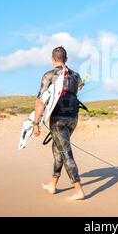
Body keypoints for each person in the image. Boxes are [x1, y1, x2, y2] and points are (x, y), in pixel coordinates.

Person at [33, 46, 85, 200]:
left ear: (52, 59)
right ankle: (52, 185)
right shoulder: (76, 75)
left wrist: (36, 124)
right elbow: (78, 87)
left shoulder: (49, 75)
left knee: (65, 153)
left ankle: (79, 190)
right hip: (73, 118)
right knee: (58, 150)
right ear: (66, 59)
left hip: (58, 120)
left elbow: (40, 101)